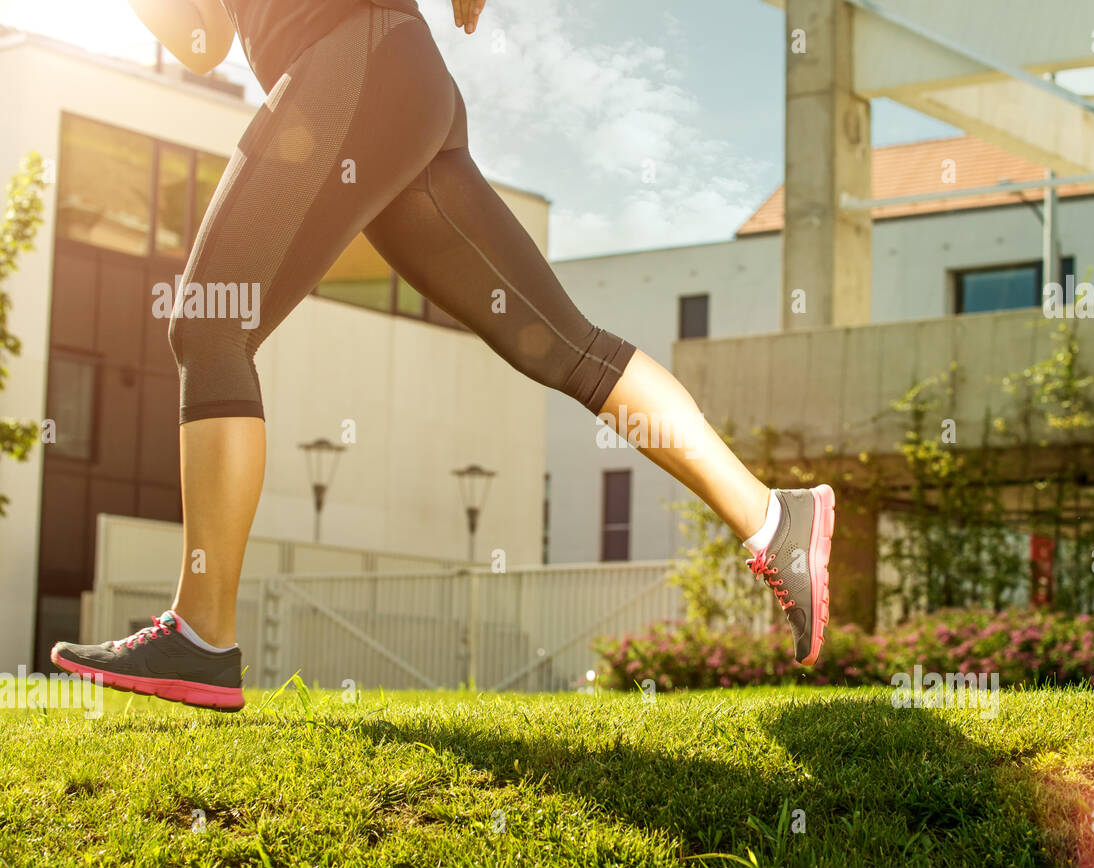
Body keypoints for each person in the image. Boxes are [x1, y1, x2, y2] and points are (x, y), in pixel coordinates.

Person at [50, 0, 835, 711]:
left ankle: (201, 633)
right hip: (389, 83)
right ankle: (775, 519)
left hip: (353, 57)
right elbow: (203, 40)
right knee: (567, 347)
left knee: (208, 323)